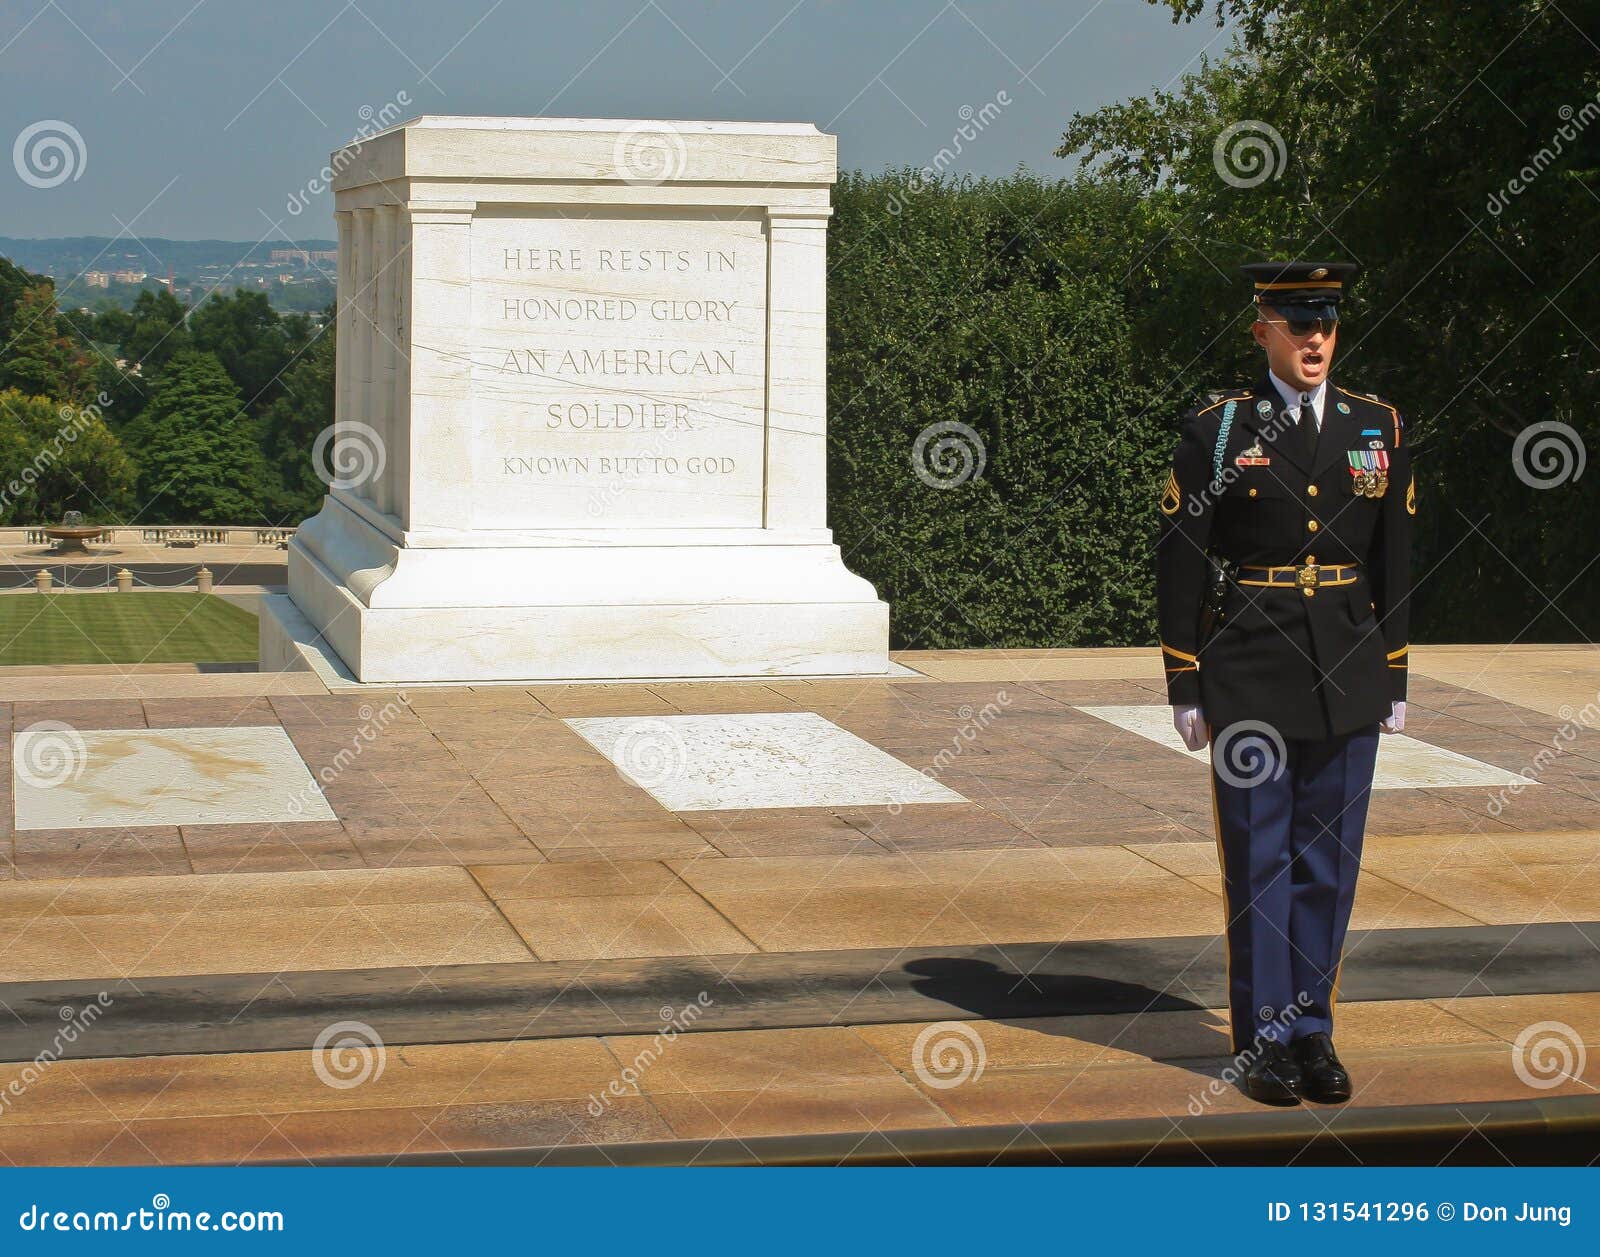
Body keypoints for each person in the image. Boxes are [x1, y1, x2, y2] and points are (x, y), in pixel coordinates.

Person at [1155, 260, 1414, 1106]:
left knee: (1328, 861)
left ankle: (1312, 1032)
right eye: (1297, 323)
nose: (1314, 339)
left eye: (1327, 323)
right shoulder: (1221, 431)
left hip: (1346, 666)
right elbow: (1184, 555)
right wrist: (1185, 680)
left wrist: (1396, 668)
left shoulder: (1376, 425)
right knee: (1261, 858)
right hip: (1252, 668)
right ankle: (1261, 1036)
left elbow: (1395, 559)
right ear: (1260, 327)